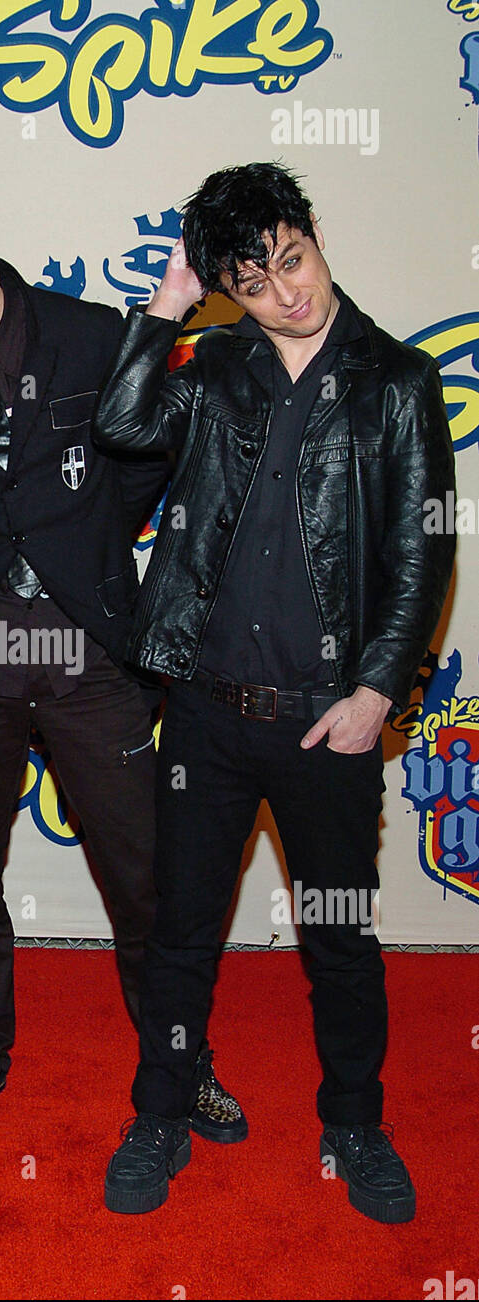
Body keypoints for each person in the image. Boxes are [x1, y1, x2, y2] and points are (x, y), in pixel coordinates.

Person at [94, 162, 456, 1221]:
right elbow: (121, 427)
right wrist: (166, 309)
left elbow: (421, 559)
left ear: (312, 235)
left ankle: (355, 1120)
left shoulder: (397, 380)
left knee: (339, 937)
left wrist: (379, 691)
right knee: (182, 933)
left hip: (327, 724)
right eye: (255, 282)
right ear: (227, 291)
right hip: (206, 711)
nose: (287, 292)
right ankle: (160, 1107)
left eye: (292, 260)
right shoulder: (212, 367)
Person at [0, 162, 246, 1144]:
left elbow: (151, 451)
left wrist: (81, 537)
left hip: (89, 645)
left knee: (144, 873)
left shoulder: (89, 334)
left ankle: (180, 1057)